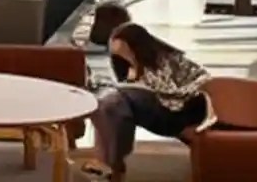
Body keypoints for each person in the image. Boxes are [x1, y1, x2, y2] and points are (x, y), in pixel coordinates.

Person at [83, 22, 215, 181]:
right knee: (109, 105)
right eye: (118, 55)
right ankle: (109, 162)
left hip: (177, 111)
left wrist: (134, 81)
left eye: (125, 52)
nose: (121, 57)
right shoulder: (127, 66)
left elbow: (167, 90)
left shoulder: (165, 59)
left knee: (115, 101)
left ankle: (110, 163)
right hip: (153, 107)